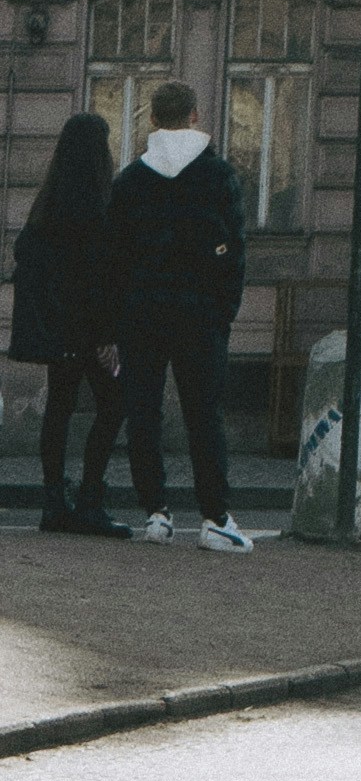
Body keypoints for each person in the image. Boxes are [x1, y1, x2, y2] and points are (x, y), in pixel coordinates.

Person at [106, 81, 252, 548]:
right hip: (200, 315)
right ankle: (214, 517)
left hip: (141, 313)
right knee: (204, 416)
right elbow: (235, 253)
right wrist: (224, 312)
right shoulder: (218, 175)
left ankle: (156, 513)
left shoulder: (130, 180)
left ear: (152, 119)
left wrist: (115, 320)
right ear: (194, 115)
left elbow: (116, 258)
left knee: (143, 414)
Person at [12, 110, 126, 533]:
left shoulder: (48, 209)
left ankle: (54, 501)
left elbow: (31, 264)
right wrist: (107, 336)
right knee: (115, 403)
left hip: (60, 336)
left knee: (59, 410)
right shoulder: (97, 208)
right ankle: (89, 499)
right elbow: (99, 280)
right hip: (93, 335)